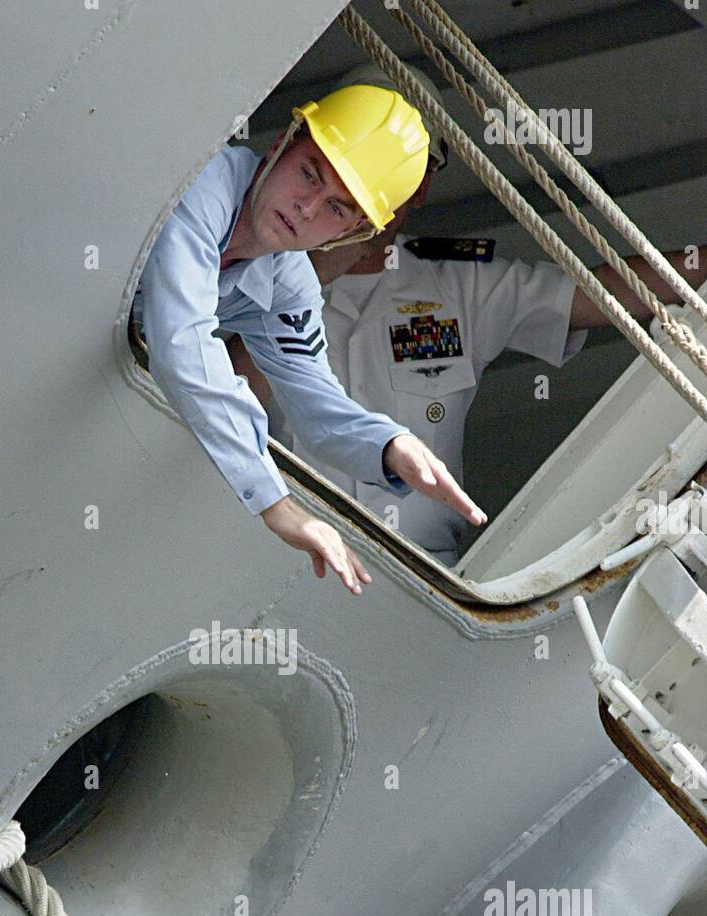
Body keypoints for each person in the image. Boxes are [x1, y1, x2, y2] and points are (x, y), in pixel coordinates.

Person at [229, 63, 707, 568]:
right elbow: (221, 390)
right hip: (287, 557)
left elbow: (600, 295)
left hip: (426, 571)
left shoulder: (457, 281)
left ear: (420, 188)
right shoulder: (253, 263)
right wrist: (314, 272)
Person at [131, 81, 487, 597]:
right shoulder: (202, 186)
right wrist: (276, 506)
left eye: (338, 209)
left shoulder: (286, 279)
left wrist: (390, 445)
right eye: (309, 174)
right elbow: (180, 346)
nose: (306, 208)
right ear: (281, 144)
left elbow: (314, 400)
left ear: (354, 233)